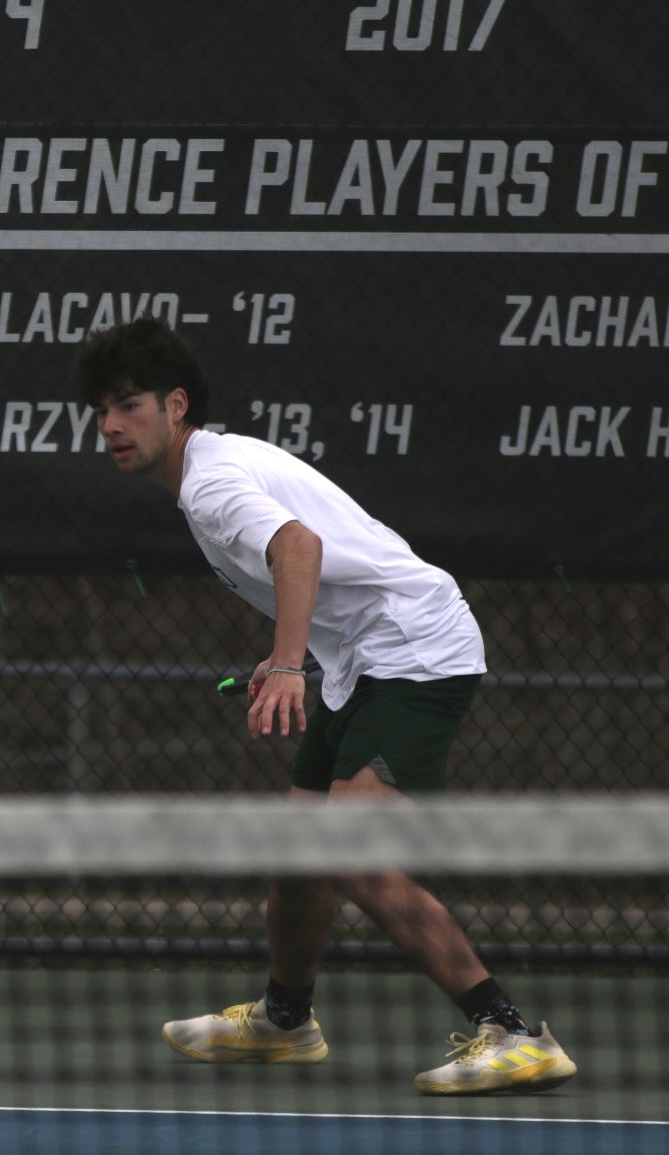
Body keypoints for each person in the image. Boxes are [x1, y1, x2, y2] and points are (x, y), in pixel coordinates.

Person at [69, 316, 576, 1096]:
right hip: (361, 659)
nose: (109, 425)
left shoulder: (209, 481)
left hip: (414, 650)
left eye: (128, 404)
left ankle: (510, 1031)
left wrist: (285, 663)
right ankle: (285, 1018)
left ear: (176, 406)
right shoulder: (212, 470)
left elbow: (297, 547)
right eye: (101, 409)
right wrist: (298, 653)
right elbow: (312, 560)